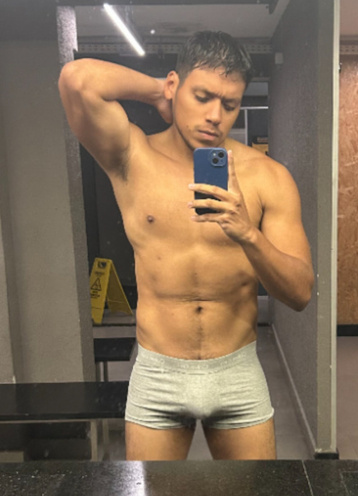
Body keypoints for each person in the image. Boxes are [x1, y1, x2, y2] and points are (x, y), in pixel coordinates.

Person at [58, 31, 314, 461]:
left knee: (255, 493)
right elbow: (76, 79)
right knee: (154, 490)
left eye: (229, 104)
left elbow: (300, 292)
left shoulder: (268, 176)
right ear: (176, 86)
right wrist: (157, 90)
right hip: (158, 373)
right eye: (202, 96)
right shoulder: (131, 155)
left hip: (236, 370)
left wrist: (248, 234)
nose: (215, 115)